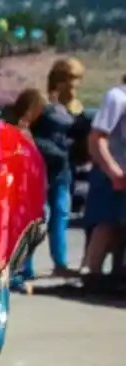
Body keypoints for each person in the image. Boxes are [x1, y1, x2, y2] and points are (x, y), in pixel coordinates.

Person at [25, 59, 85, 281]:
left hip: (63, 169)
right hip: (41, 167)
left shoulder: (75, 107)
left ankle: (60, 263)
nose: (74, 85)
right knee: (40, 216)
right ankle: (26, 266)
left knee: (60, 214)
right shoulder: (43, 103)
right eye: (71, 79)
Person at [82, 76, 126, 283]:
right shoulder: (116, 97)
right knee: (106, 224)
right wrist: (113, 172)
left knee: (120, 228)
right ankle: (93, 273)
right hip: (110, 171)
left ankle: (116, 273)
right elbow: (97, 138)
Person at [9, 88, 49, 293]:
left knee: (33, 232)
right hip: (23, 191)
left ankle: (23, 272)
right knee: (27, 234)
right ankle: (18, 275)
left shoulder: (23, 129)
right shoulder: (18, 131)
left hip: (29, 189)